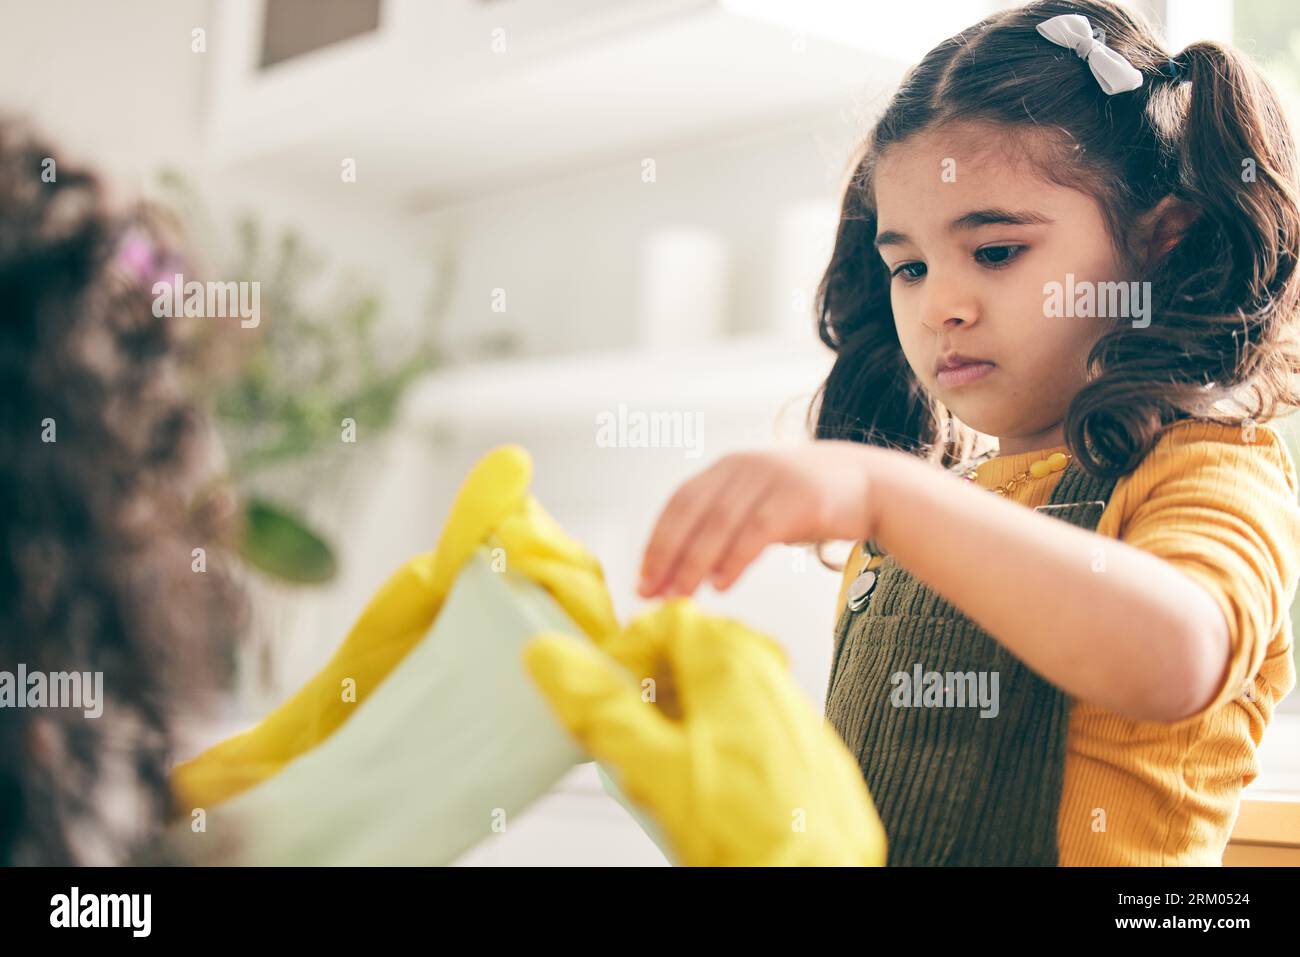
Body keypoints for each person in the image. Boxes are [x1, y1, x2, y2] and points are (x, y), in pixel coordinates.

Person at [626, 0, 1300, 865]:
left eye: (994, 252)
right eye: (908, 265)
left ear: (1159, 246)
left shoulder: (1209, 470)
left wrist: (884, 492)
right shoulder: (914, 522)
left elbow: (1176, 655)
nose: (941, 305)